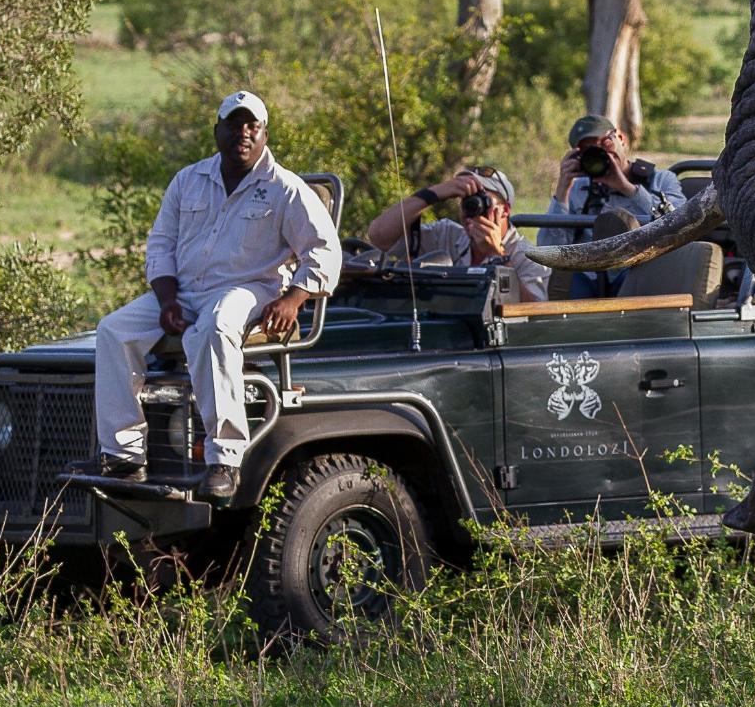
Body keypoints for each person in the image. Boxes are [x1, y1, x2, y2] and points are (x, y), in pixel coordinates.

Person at [68, 91, 342, 502]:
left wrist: (293, 299)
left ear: (265, 134)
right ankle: (125, 456)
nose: (243, 134)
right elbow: (160, 244)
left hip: (250, 288)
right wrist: (166, 300)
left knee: (213, 327)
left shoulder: (286, 188)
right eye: (235, 125)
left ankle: (224, 460)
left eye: (253, 126)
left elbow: (324, 250)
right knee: (112, 330)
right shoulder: (189, 179)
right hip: (186, 291)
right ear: (217, 130)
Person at [539, 115, 683, 298]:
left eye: (605, 144)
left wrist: (627, 188)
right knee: (566, 281)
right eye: (590, 150)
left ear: (621, 139)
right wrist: (562, 190)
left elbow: (681, 226)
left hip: (640, 270)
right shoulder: (577, 189)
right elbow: (549, 249)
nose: (602, 154)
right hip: (588, 277)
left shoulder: (661, 180)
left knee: (635, 278)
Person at [362, 164, 547, 301]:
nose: (471, 209)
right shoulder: (447, 235)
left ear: (505, 210)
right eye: (466, 201)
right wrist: (432, 194)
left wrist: (499, 256)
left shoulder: (528, 256)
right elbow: (379, 236)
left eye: (481, 201)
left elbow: (537, 317)